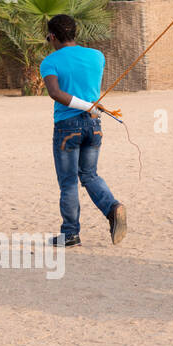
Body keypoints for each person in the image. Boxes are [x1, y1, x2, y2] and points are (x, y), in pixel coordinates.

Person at [40, 14, 126, 247]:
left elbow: (55, 93)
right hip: (94, 123)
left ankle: (70, 233)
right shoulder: (97, 56)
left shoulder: (50, 62)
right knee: (89, 175)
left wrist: (84, 105)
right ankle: (113, 207)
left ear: (52, 36)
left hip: (67, 126)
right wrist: (88, 105)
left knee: (68, 182)